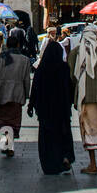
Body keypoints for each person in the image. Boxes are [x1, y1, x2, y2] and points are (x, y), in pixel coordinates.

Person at [69, 24, 97, 174]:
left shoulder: (76, 52)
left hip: (84, 97)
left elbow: (71, 76)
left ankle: (93, 164)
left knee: (87, 129)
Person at [28, 36, 74, 174]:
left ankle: (49, 164)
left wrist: (31, 105)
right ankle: (64, 158)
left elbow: (35, 88)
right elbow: (69, 88)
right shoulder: (64, 68)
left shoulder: (41, 70)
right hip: (61, 110)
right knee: (62, 134)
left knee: (47, 138)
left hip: (45, 110)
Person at [0, 28, 32, 157]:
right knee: (13, 122)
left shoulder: (1, 58)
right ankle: (10, 146)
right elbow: (26, 80)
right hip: (17, 95)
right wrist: (27, 94)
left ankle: (5, 143)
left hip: (3, 94)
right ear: (18, 45)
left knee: (4, 121)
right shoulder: (24, 60)